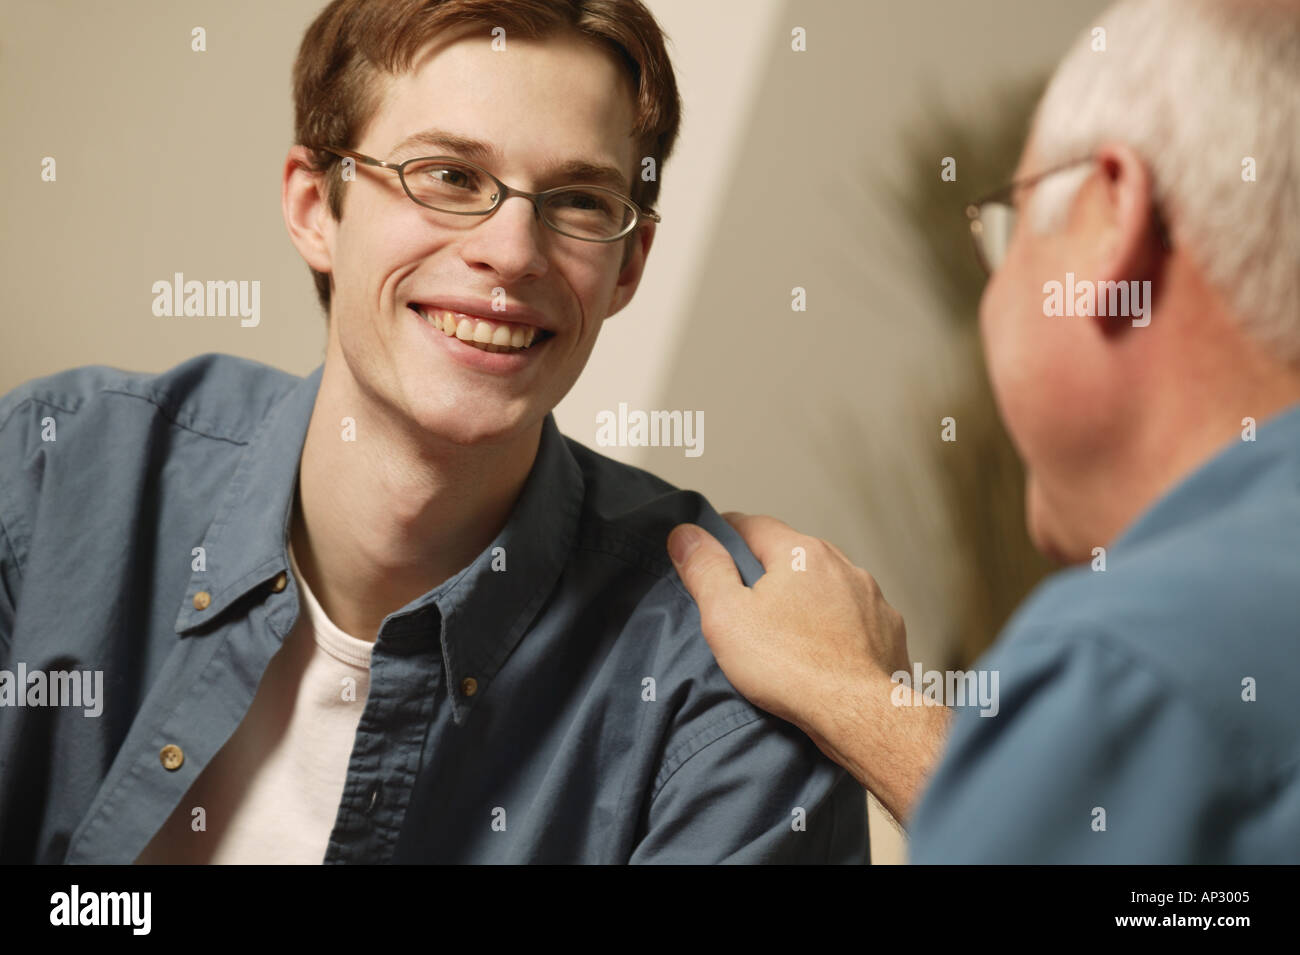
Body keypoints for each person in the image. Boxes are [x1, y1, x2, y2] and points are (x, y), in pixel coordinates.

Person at [0, 0, 867, 864]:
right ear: (314, 207)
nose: (512, 251)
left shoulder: (732, 679)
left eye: (576, 200)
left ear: (626, 266)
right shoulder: (51, 478)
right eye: (450, 176)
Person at [667, 0, 1300, 863]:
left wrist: (857, 701)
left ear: (1109, 220)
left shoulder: (1124, 666)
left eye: (1002, 232)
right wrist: (866, 701)